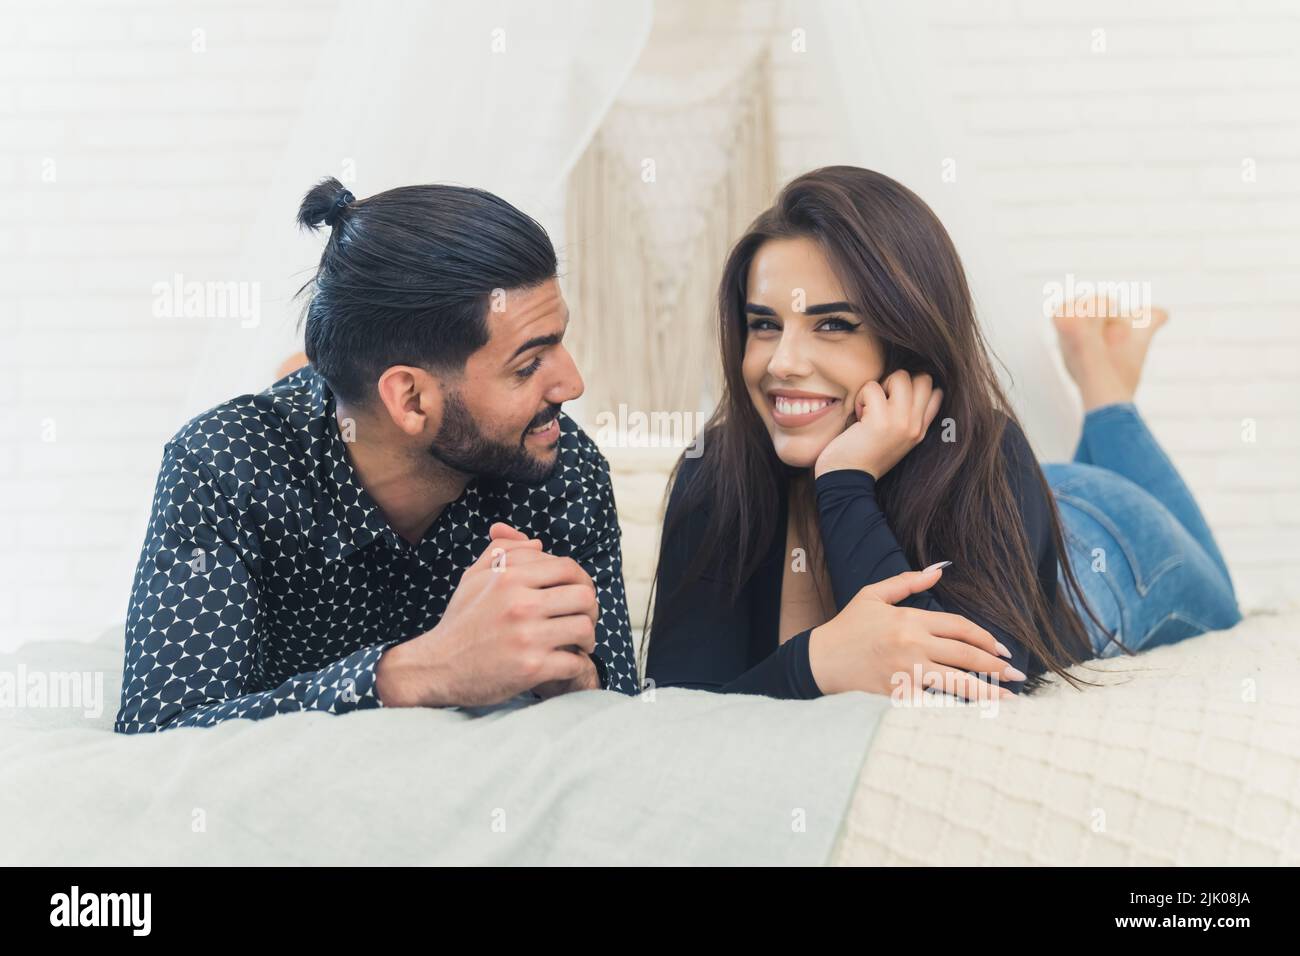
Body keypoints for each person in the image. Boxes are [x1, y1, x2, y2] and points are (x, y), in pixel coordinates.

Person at [644, 166, 1242, 701]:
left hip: (1105, 546)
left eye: (832, 324)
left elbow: (966, 692)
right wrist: (816, 663)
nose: (782, 363)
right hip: (1025, 513)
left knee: (1225, 603)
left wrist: (844, 480)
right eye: (764, 325)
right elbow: (681, 715)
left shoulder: (987, 449)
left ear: (905, 340)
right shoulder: (715, 475)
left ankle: (1105, 388)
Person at [115, 178, 639, 732]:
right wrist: (417, 671)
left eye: (560, 342)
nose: (573, 384)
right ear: (410, 398)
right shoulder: (223, 467)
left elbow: (620, 710)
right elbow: (161, 733)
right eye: (528, 365)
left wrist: (570, 677)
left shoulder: (561, 466)